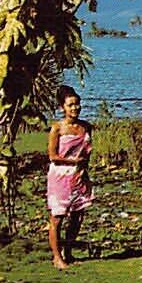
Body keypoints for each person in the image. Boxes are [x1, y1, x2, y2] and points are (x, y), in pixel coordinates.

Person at [47, 86, 93, 269]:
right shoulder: (57, 128)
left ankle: (68, 251)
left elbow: (88, 152)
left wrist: (82, 169)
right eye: (70, 105)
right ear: (62, 108)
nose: (75, 108)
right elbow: (52, 156)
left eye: (77, 104)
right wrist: (73, 161)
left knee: (77, 215)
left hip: (79, 176)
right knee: (57, 217)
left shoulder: (86, 127)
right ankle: (57, 257)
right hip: (60, 176)